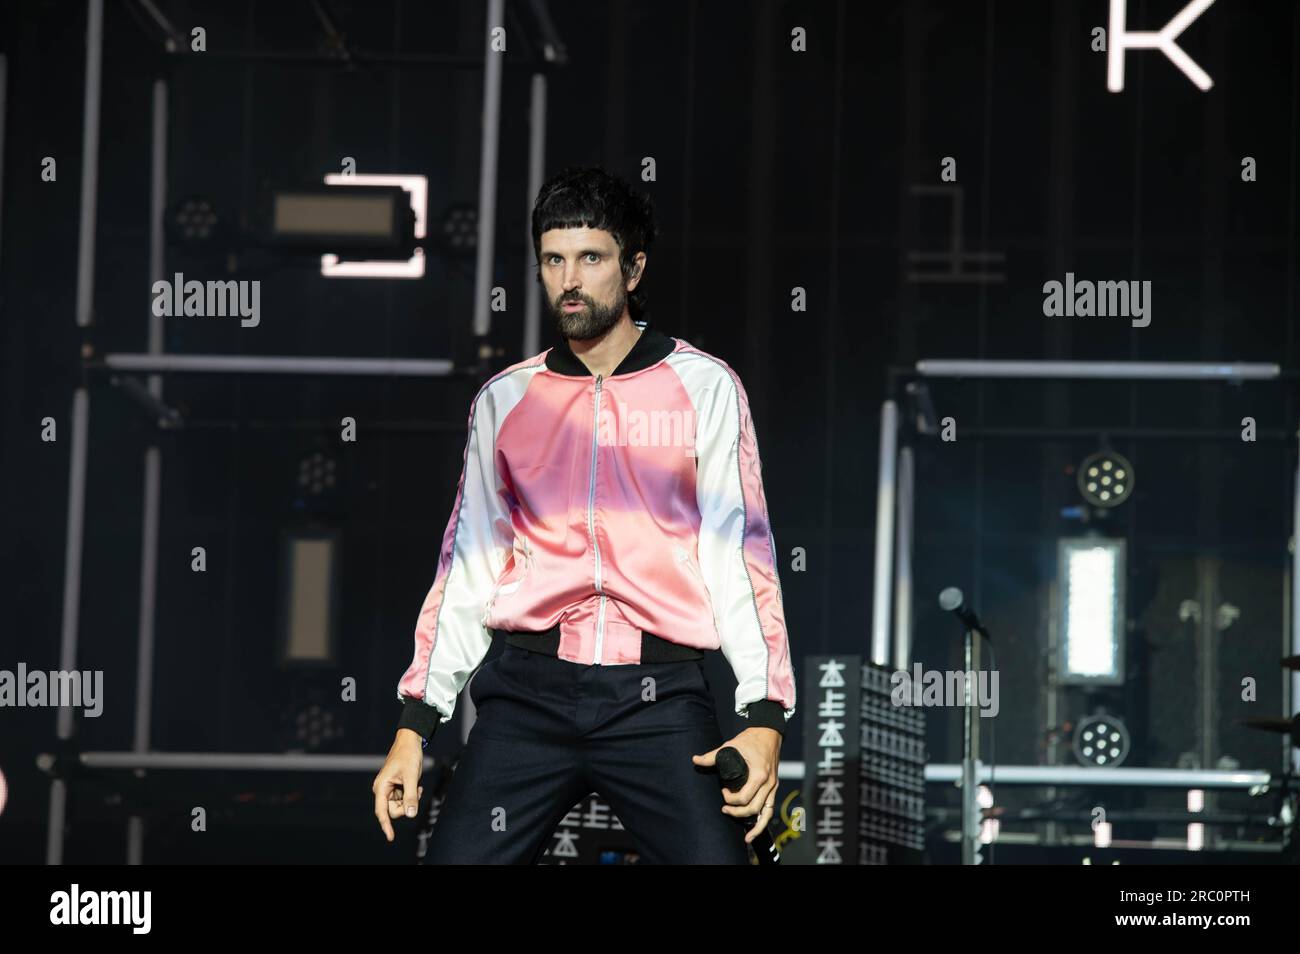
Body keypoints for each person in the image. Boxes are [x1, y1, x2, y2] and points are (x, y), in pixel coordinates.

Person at [371, 166, 796, 863]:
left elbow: (740, 558)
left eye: (591, 258)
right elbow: (467, 570)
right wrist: (414, 726)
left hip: (656, 700)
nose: (569, 279)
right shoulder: (506, 402)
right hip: (526, 699)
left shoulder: (703, 387)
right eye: (553, 260)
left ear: (633, 268)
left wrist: (764, 715)